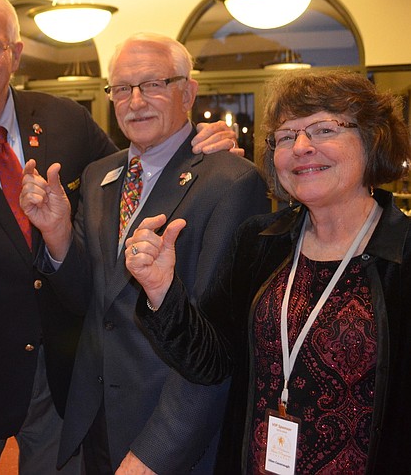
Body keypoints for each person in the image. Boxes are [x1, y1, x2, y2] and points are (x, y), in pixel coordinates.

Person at [0, 0, 239, 474]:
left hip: (64, 381)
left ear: (15, 53)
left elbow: (137, 173)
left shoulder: (65, 119)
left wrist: (198, 144)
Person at [127, 70, 411, 474]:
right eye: (286, 136)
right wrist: (161, 289)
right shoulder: (259, 241)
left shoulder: (403, 252)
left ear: (372, 140)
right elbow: (212, 362)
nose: (302, 147)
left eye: (323, 129)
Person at [19, 32, 270, 474]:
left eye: (153, 84)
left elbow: (218, 343)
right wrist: (57, 233)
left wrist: (158, 450)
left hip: (170, 431)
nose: (135, 102)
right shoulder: (100, 175)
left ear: (187, 93)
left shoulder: (230, 181)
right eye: (121, 88)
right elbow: (89, 299)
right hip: (96, 418)